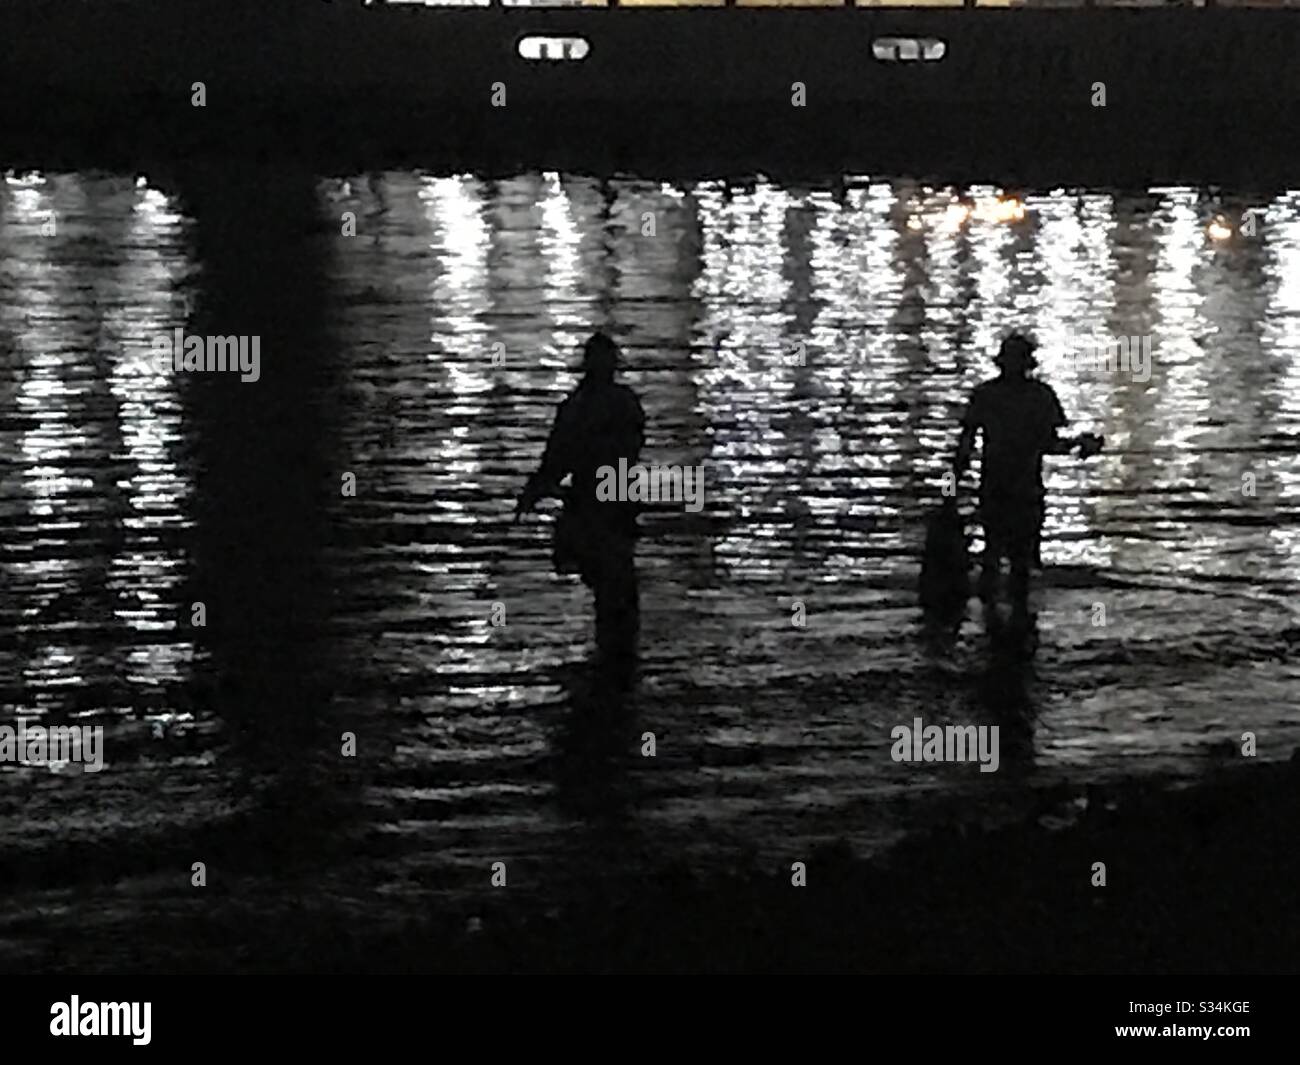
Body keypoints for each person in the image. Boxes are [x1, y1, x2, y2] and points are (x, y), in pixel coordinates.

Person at [953, 332, 1102, 627]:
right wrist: (1079, 447)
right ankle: (1021, 629)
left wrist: (949, 488)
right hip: (1026, 489)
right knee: (1022, 562)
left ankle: (989, 623)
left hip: (994, 488)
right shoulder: (1041, 396)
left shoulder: (986, 395)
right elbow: (1048, 444)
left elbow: (964, 449)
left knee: (992, 555)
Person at [516, 332, 645, 660]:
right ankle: (619, 664)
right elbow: (630, 452)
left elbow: (556, 459)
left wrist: (536, 491)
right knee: (619, 590)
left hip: (591, 503)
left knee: (608, 586)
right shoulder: (624, 403)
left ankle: (609, 664)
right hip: (615, 501)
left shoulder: (577, 406)